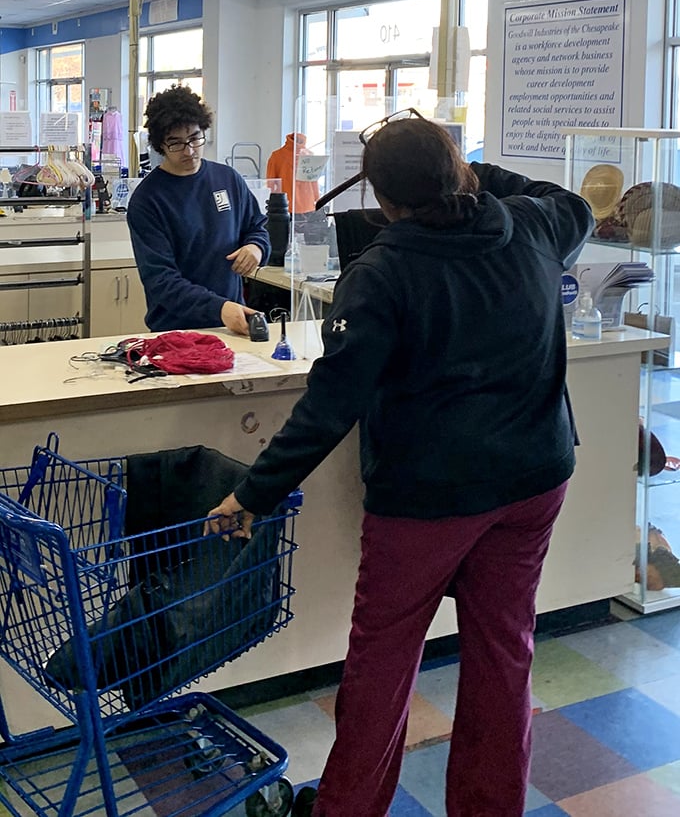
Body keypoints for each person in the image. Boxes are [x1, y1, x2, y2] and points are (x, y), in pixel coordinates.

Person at [206, 112, 595, 817]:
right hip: (535, 479)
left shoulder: (380, 273)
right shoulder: (534, 226)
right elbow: (574, 201)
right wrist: (473, 174)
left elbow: (330, 405)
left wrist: (252, 495)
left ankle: (347, 809)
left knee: (383, 661)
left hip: (429, 497)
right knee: (505, 651)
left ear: (381, 199)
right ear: (460, 173)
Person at [127, 85, 270, 333]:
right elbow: (161, 280)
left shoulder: (227, 179)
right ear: (160, 145)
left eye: (194, 138)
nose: (189, 151)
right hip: (175, 332)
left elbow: (258, 226)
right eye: (176, 143)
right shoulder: (148, 200)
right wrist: (218, 308)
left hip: (232, 325)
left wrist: (256, 247)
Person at [266, 132, 320, 213]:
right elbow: (314, 182)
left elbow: (270, 184)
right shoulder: (309, 155)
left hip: (285, 205)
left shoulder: (276, 156)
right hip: (307, 205)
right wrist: (317, 199)